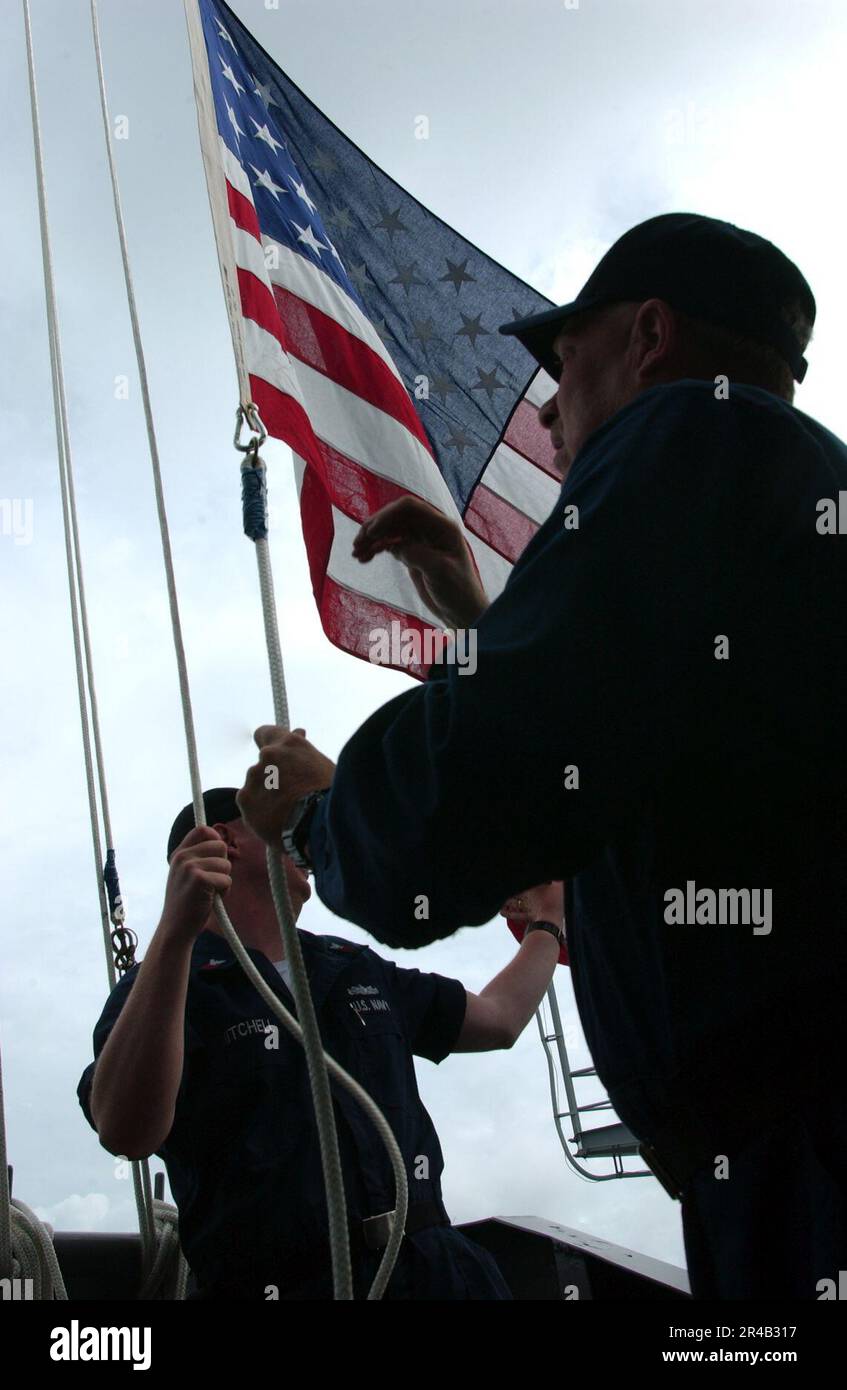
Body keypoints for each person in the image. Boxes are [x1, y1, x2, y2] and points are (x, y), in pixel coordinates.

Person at [235, 213, 847, 1299]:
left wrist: (323, 813)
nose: (552, 411)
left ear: (648, 335)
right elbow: (625, 715)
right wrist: (477, 626)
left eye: (563, 365)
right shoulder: (771, 474)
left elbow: (479, 794)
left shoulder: (689, 442)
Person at [77, 787, 566, 1300]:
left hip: (437, 1276)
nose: (305, 841)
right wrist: (173, 936)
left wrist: (547, 921)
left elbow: (499, 1020)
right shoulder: (159, 985)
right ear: (223, 840)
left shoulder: (353, 965)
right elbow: (126, 1132)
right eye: (281, 825)